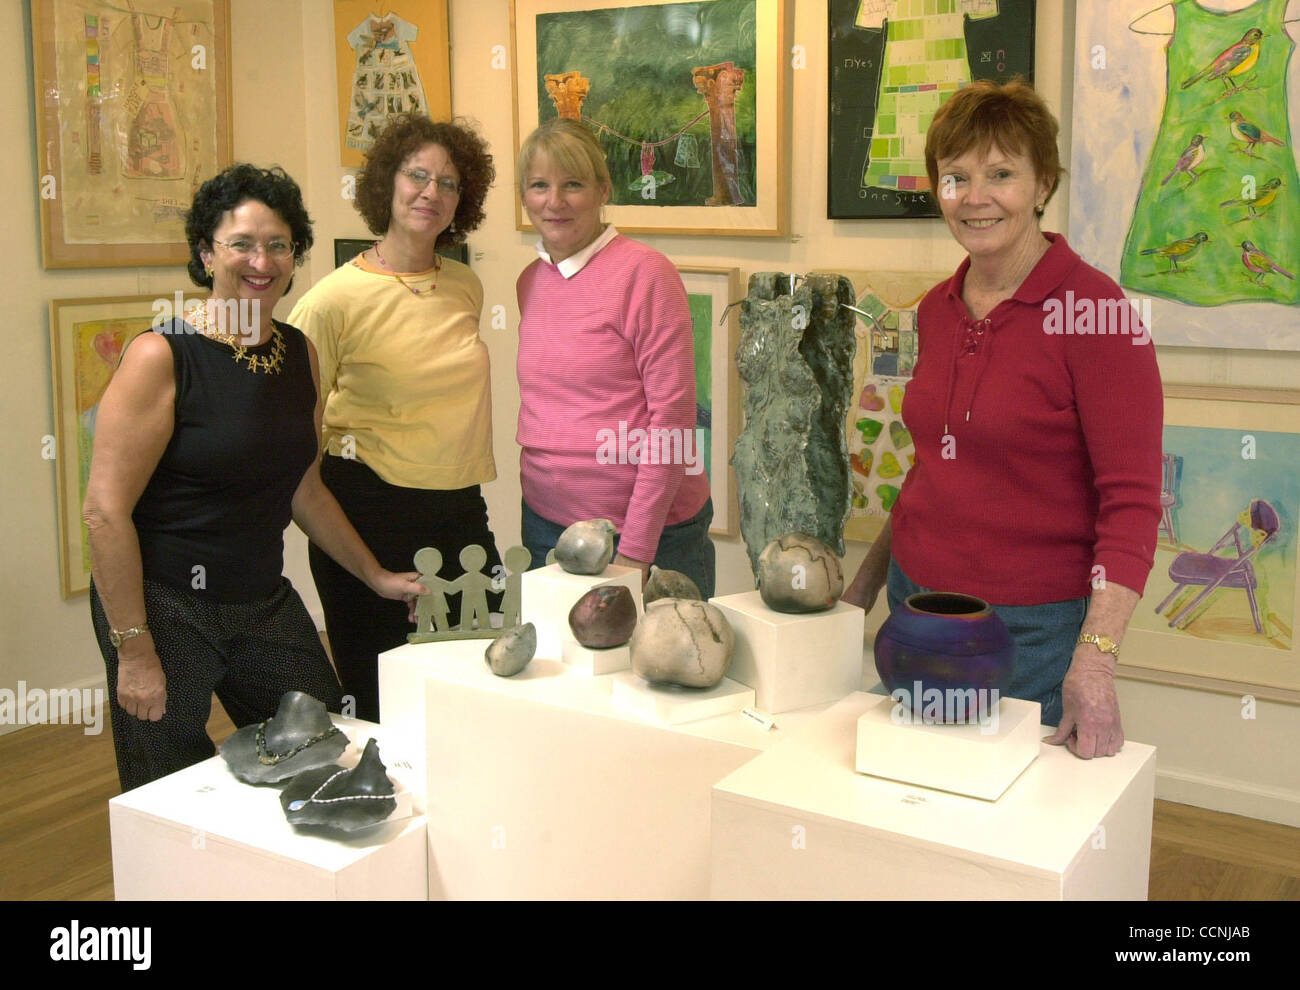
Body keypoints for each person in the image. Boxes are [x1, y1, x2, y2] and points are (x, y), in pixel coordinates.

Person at [842, 81, 1163, 759]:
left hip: (1029, 629)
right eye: (955, 177)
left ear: (1042, 184)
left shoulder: (1096, 314)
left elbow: (1133, 504)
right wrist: (863, 589)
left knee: (1003, 827)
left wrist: (1096, 660)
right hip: (914, 605)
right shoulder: (936, 307)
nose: (975, 196)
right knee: (907, 796)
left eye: (1001, 174)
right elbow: (934, 466)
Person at [84, 164, 425, 792]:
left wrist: (373, 573)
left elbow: (303, 487)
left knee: (326, 747)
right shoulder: (163, 355)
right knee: (170, 792)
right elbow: (103, 511)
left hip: (261, 599)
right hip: (163, 605)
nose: (260, 260)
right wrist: (133, 649)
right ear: (206, 252)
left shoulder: (298, 353)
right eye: (240, 243)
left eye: (278, 245)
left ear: (295, 257)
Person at [288, 115, 500, 722]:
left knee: (476, 689)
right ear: (387, 183)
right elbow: (298, 452)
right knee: (383, 702)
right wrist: (371, 567)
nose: (431, 192)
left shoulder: (464, 285)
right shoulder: (329, 302)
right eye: (418, 175)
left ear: (465, 199)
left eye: (449, 182)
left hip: (461, 509)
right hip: (367, 512)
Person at [515, 118, 715, 597]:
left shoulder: (647, 274)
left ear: (603, 189)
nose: (554, 201)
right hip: (547, 525)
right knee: (562, 669)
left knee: (661, 668)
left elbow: (673, 419)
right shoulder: (530, 281)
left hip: (648, 535)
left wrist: (636, 553)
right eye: (539, 185)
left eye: (573, 185)